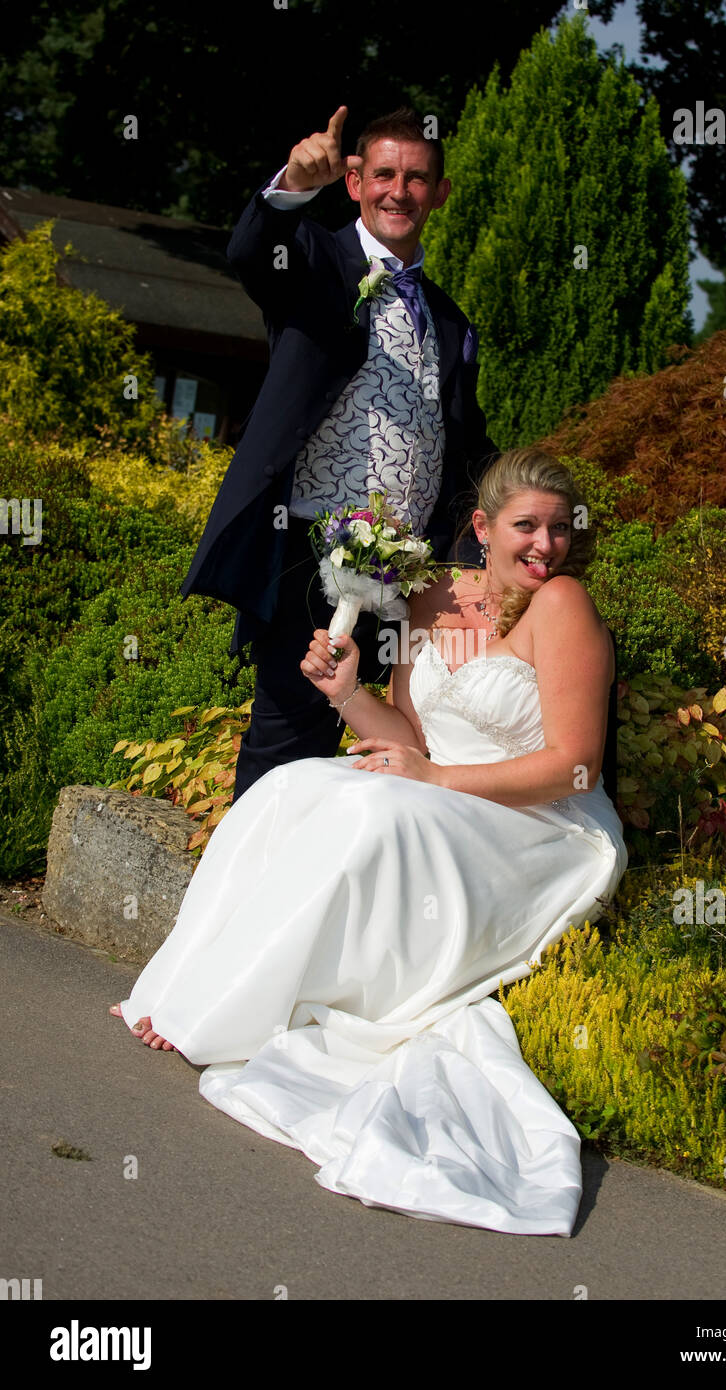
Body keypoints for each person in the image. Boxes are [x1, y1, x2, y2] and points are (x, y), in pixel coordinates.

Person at [110, 449, 628, 1237]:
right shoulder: (428, 597)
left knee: (376, 815)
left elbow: (575, 764)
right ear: (482, 528)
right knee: (293, 787)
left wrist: (435, 781)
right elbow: (411, 738)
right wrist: (347, 693)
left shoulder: (562, 606)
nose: (545, 546)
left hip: (539, 824)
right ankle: (194, 993)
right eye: (526, 526)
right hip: (442, 794)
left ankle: (231, 1018)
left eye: (558, 529)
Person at [179, 104, 498, 801]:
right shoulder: (318, 259)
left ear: (438, 193)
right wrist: (293, 182)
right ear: (353, 180)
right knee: (291, 734)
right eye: (383, 173)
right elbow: (249, 253)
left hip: (409, 573)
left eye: (416, 178)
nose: (398, 191)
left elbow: (466, 444)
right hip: (303, 551)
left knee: (398, 744)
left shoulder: (449, 318)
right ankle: (247, 902)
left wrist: (508, 524)